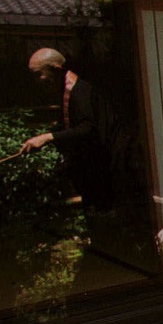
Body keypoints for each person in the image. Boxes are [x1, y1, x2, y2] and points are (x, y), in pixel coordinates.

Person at [21, 47, 115, 210]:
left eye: (39, 74)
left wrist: (48, 137)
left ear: (56, 70)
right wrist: (43, 138)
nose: (38, 81)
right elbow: (70, 127)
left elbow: (87, 129)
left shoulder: (80, 91)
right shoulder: (67, 90)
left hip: (104, 169)